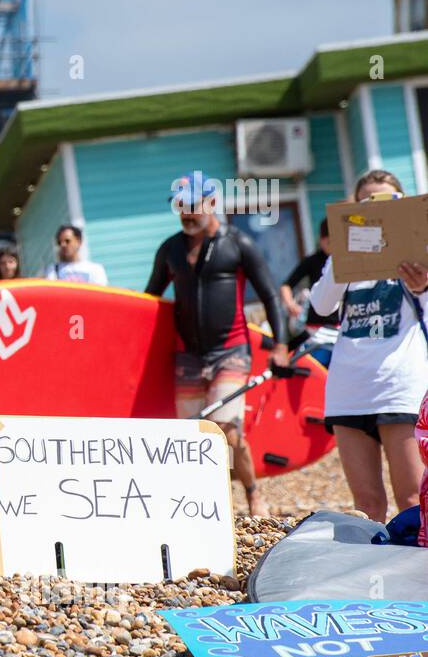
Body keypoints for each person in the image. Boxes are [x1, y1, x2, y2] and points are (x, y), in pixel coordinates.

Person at [144, 170, 289, 517]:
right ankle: (203, 505)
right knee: (191, 437)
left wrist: (281, 344)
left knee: (226, 429)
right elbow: (150, 298)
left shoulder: (237, 243)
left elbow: (270, 294)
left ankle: (253, 493)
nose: (186, 213)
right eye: (180, 206)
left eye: (193, 205)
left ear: (212, 202)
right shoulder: (170, 250)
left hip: (231, 350)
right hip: (189, 356)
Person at [309, 170, 428, 522]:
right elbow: (320, 306)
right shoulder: (344, 255)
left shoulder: (418, 251)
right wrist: (343, 251)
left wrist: (422, 287)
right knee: (366, 506)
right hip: (349, 390)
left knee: (413, 500)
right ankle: (372, 576)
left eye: (387, 201)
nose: (377, 208)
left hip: (399, 387)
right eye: (366, 203)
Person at [280, 219, 339, 366]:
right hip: (315, 329)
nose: (332, 247)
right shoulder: (312, 261)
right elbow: (286, 285)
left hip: (339, 327)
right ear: (321, 241)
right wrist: (290, 304)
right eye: (328, 242)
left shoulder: (343, 260)